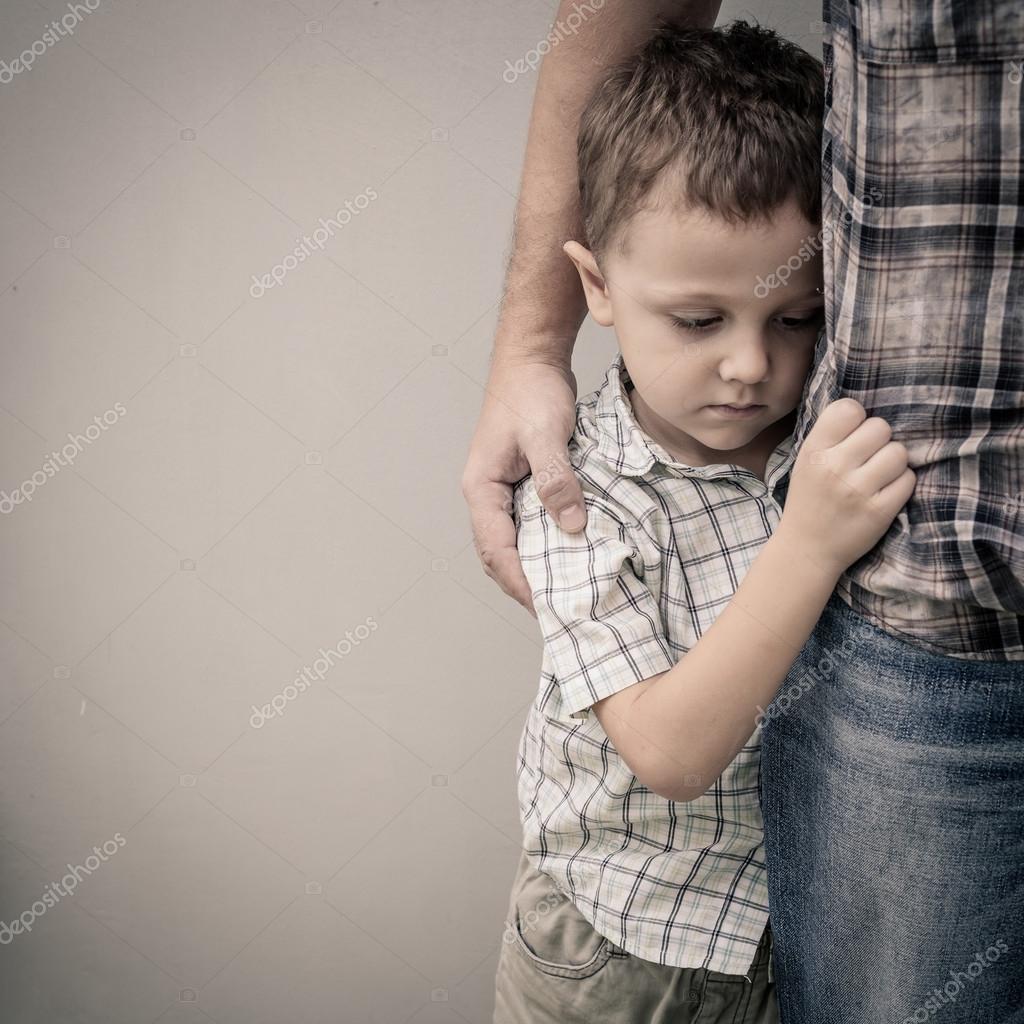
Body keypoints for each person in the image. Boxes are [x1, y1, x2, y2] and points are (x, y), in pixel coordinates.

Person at [467, 0, 1024, 1019]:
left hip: (780, 940)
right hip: (620, 961)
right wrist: (807, 544)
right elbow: (672, 752)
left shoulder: (801, 439)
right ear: (593, 282)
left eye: (794, 316)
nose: (748, 364)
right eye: (697, 319)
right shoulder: (575, 499)